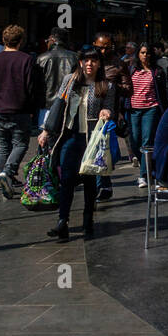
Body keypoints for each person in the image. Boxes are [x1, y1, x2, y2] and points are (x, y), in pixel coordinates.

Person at [37, 48, 116, 243]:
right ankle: (62, 221)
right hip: (70, 136)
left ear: (99, 64)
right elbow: (58, 106)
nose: (90, 64)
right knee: (67, 180)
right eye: (86, 60)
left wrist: (106, 112)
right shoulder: (69, 80)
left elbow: (110, 106)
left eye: (94, 60)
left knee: (89, 181)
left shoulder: (106, 85)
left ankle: (87, 220)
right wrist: (46, 131)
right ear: (80, 62)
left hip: (91, 140)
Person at [0, 25, 44, 199]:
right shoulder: (26, 60)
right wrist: (32, 109)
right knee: (20, 144)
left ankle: (5, 180)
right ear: (21, 41)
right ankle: (8, 173)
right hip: (20, 108)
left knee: (2, 145)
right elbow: (31, 87)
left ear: (4, 40)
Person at [93, 32, 131, 200]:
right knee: (92, 149)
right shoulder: (90, 61)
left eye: (106, 48)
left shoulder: (118, 64)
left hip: (108, 112)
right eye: (99, 48)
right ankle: (102, 184)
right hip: (89, 110)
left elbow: (129, 89)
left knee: (102, 149)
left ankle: (102, 184)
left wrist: (112, 87)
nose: (102, 51)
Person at [129, 43, 168, 188]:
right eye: (143, 52)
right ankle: (146, 165)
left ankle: (143, 175)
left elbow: (163, 93)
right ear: (138, 54)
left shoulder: (157, 71)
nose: (145, 55)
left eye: (148, 53)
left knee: (146, 142)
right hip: (133, 109)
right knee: (134, 142)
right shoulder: (132, 69)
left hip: (151, 109)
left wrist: (165, 110)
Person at [37, 27, 78, 128]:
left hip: (47, 106)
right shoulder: (75, 57)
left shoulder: (42, 58)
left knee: (44, 138)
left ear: (52, 39)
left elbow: (37, 84)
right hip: (68, 104)